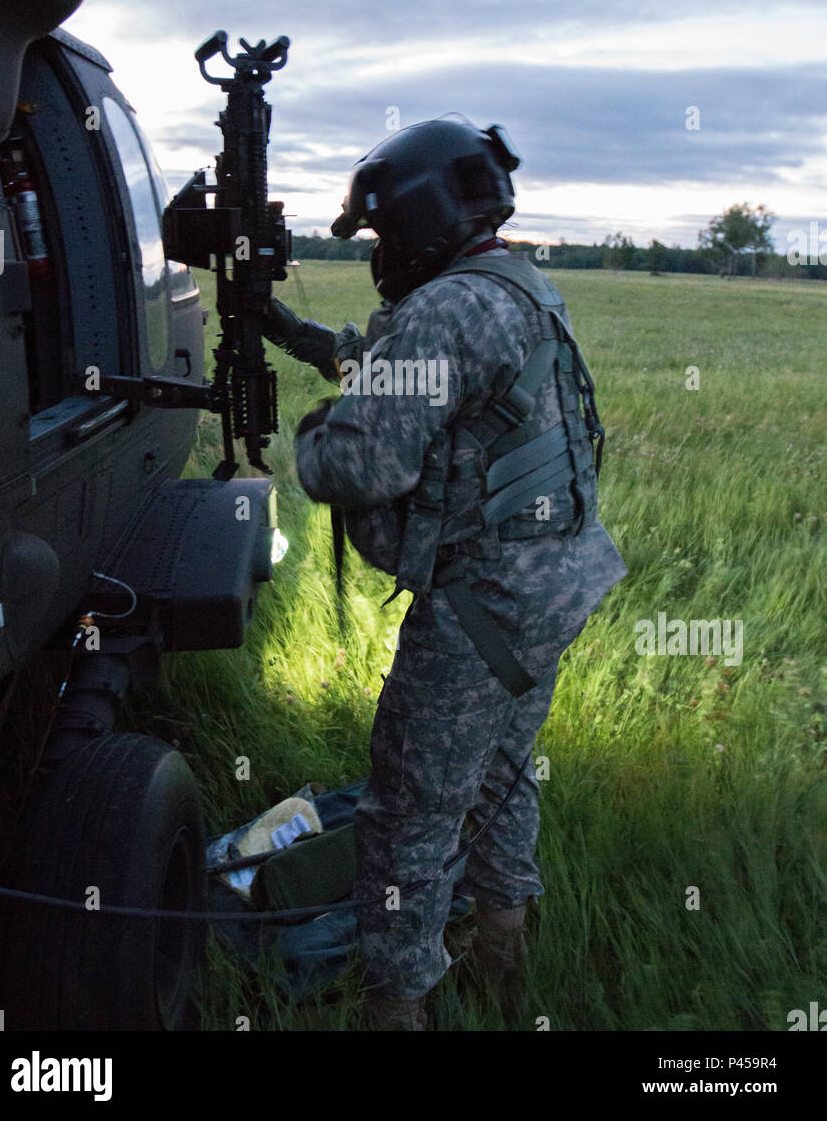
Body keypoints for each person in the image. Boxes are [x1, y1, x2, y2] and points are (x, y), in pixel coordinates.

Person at [261, 115, 627, 1030]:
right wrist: (297, 334)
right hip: (549, 594)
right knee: (501, 785)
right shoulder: (513, 284)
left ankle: (397, 1011)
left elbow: (360, 463)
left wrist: (314, 434)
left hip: (479, 611)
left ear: (421, 219)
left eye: (383, 233)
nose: (382, 252)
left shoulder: (445, 308)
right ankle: (503, 964)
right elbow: (420, 372)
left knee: (407, 823)